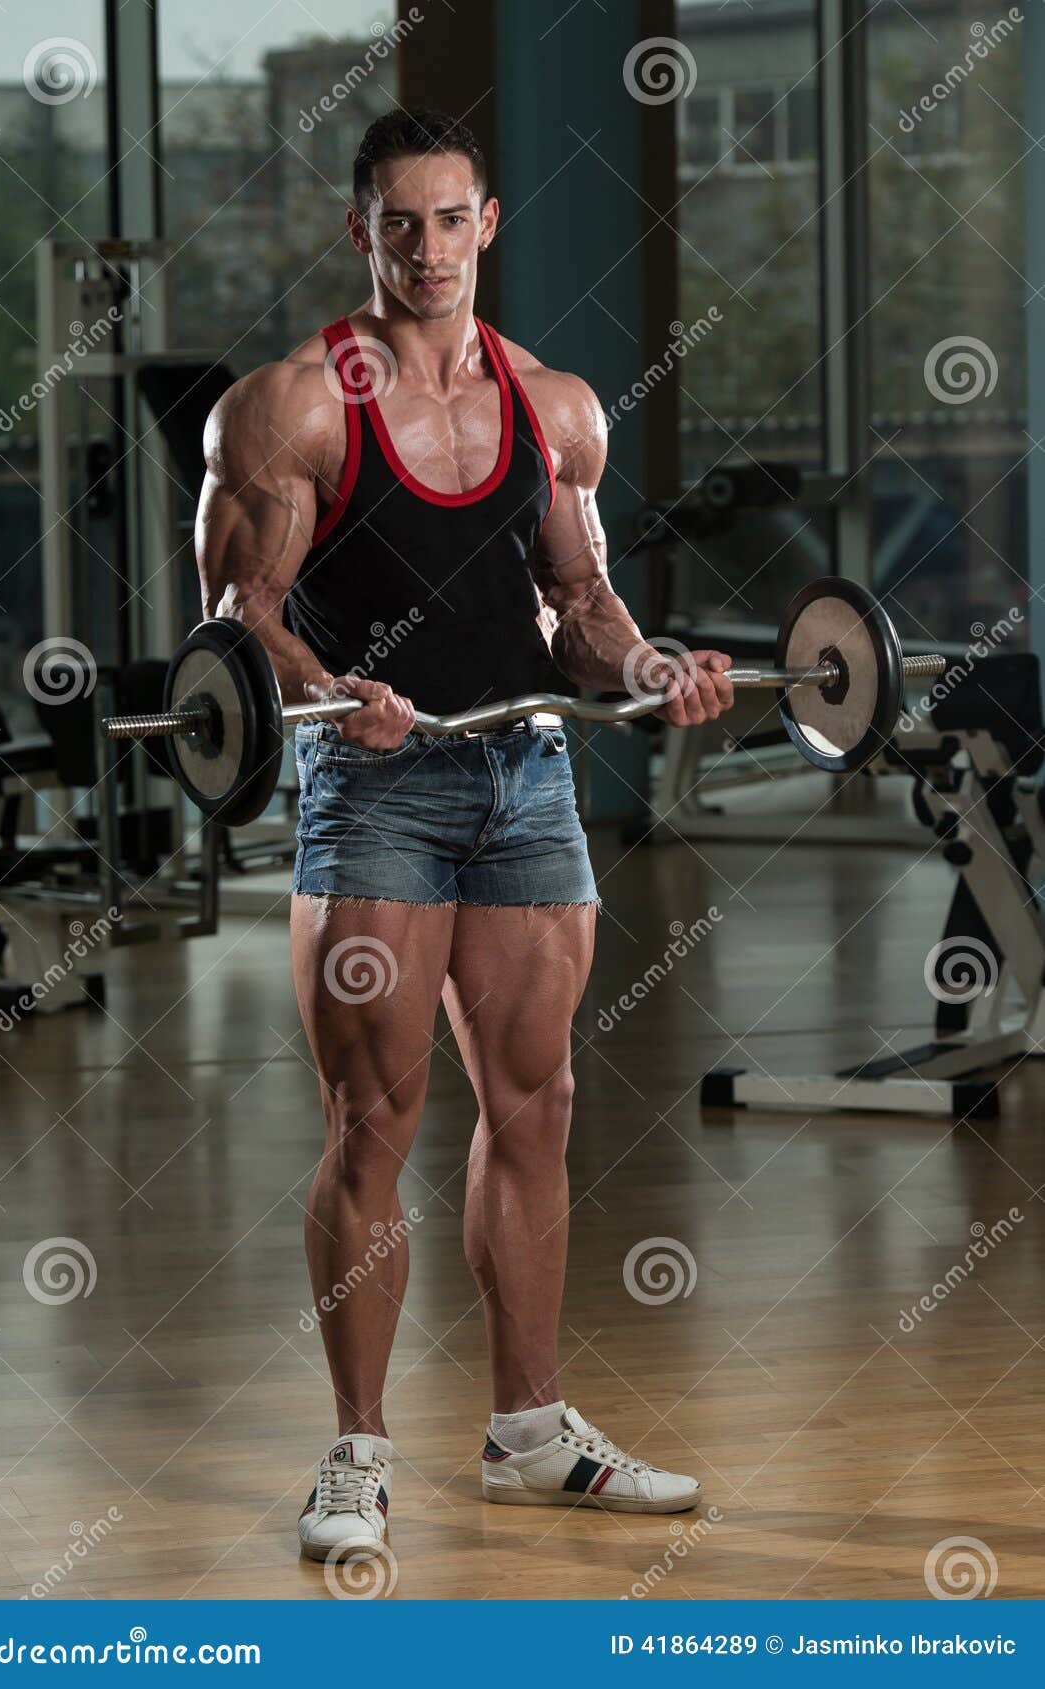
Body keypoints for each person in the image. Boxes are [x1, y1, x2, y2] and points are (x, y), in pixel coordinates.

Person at [196, 107, 734, 1563]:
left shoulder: (556, 406)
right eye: (398, 224)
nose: (427, 251)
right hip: (379, 789)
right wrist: (330, 691)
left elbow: (579, 608)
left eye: (451, 221)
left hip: (526, 779)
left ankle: (530, 1430)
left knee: (538, 1102)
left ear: (488, 224)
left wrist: (648, 671)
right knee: (373, 1119)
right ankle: (359, 1450)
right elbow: (239, 626)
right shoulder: (292, 408)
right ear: (357, 231)